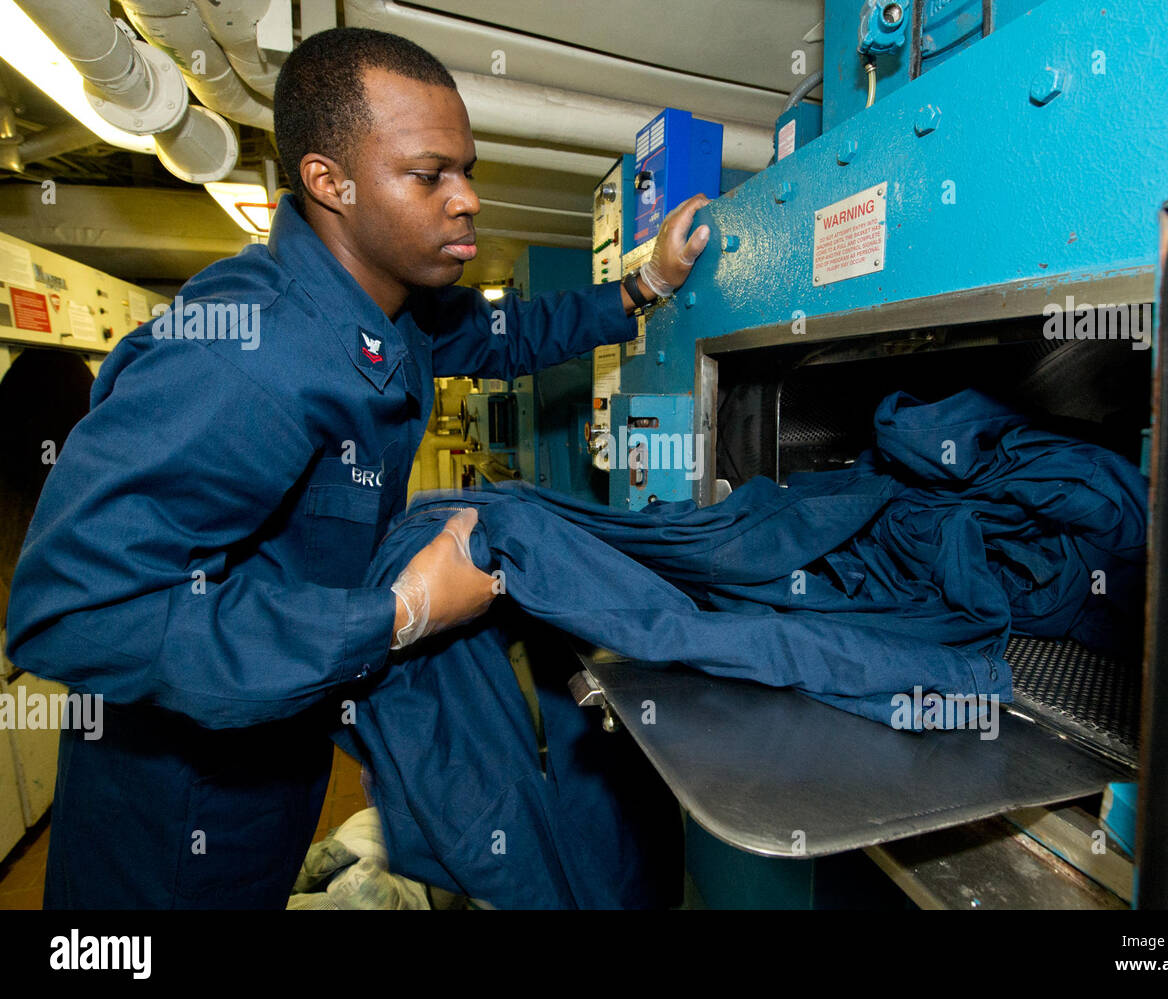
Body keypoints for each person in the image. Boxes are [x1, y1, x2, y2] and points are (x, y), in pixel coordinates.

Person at [4, 26, 710, 909]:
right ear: (327, 181)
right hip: (176, 807)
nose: (467, 202)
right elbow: (72, 613)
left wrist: (642, 288)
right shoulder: (245, 357)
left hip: (277, 750)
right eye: (429, 175)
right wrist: (398, 614)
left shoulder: (393, 305)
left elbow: (506, 334)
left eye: (469, 171)